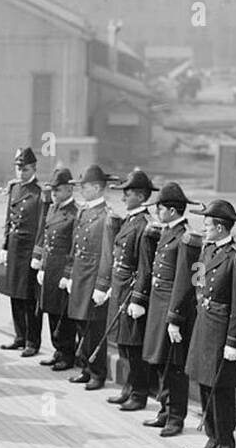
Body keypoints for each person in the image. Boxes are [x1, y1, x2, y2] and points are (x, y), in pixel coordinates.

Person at [184, 199, 236, 448]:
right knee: (204, 385)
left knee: (221, 390)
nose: (203, 230)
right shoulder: (207, 251)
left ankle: (226, 445)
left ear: (221, 228)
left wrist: (235, 341)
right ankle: (212, 438)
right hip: (204, 324)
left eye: (207, 225)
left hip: (221, 332)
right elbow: (197, 284)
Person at [139, 182, 202, 437]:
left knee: (175, 367)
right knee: (161, 362)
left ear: (173, 211)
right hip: (159, 306)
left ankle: (176, 418)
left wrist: (174, 317)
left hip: (174, 310)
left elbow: (184, 281)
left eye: (160, 208)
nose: (157, 213)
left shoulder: (185, 239)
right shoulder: (167, 233)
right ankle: (164, 411)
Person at [100, 169, 158, 408]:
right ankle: (128, 388)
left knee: (134, 347)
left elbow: (145, 267)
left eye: (129, 193)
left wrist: (138, 299)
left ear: (142, 197)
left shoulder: (144, 225)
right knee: (124, 344)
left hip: (132, 292)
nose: (123, 198)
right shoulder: (131, 221)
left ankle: (139, 394)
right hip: (121, 287)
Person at [60, 164, 113, 389]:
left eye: (85, 186)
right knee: (81, 325)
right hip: (80, 276)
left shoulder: (107, 217)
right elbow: (74, 246)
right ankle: (85, 367)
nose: (81, 190)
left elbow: (107, 254)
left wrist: (102, 286)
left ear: (98, 188)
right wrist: (69, 274)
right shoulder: (83, 212)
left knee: (93, 328)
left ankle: (97, 373)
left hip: (93, 278)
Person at [0, 147, 46, 357]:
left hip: (29, 250)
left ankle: (32, 341)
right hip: (15, 248)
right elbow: (9, 221)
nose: (21, 173)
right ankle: (19, 336)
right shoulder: (14, 189)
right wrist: (4, 246)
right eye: (18, 169)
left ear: (34, 169)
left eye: (25, 169)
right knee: (15, 295)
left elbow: (42, 226)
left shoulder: (40, 193)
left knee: (29, 298)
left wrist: (38, 254)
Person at [33, 168, 80, 370]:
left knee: (63, 315)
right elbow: (46, 238)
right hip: (50, 267)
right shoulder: (52, 209)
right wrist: (42, 266)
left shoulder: (74, 214)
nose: (54, 194)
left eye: (58, 190)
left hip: (62, 269)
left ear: (69, 190)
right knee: (51, 311)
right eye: (52, 191)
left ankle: (67, 355)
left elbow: (74, 247)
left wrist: (68, 274)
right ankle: (57, 350)